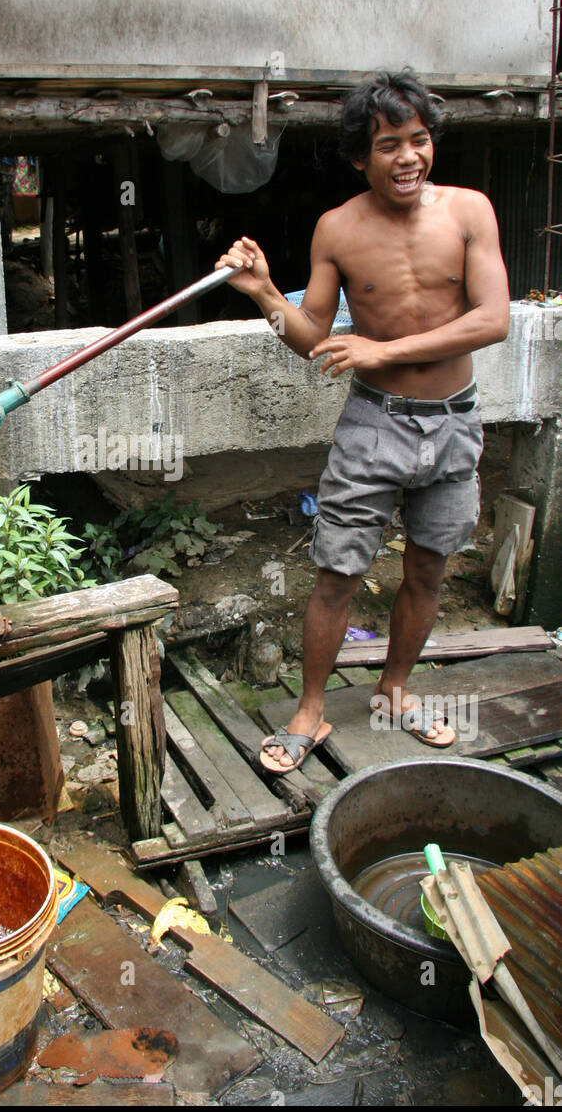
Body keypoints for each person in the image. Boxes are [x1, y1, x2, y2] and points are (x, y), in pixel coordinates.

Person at [216, 69, 509, 774]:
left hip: (453, 424)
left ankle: (395, 691)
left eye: (418, 139)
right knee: (336, 573)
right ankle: (310, 712)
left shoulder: (470, 211)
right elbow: (315, 335)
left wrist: (383, 347)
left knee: (430, 567)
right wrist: (263, 296)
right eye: (388, 145)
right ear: (360, 157)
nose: (408, 156)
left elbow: (491, 319)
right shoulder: (337, 228)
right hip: (374, 424)